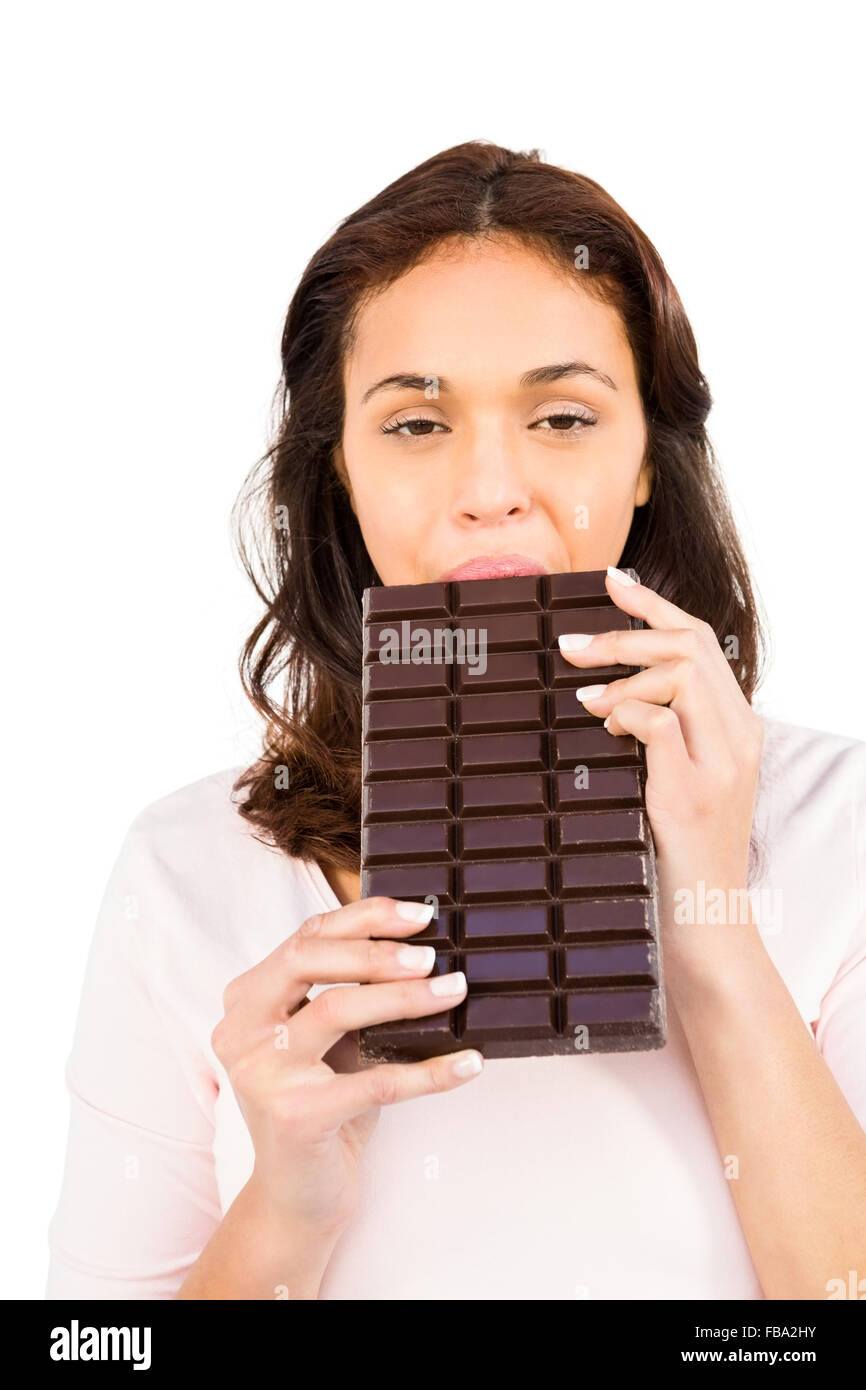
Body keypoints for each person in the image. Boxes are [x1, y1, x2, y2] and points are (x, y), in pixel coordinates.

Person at [46, 141, 866, 1301]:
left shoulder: (840, 829)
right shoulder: (187, 872)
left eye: (564, 416)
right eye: (416, 424)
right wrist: (283, 1208)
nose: (491, 485)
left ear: (646, 462)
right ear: (336, 466)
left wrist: (715, 927)